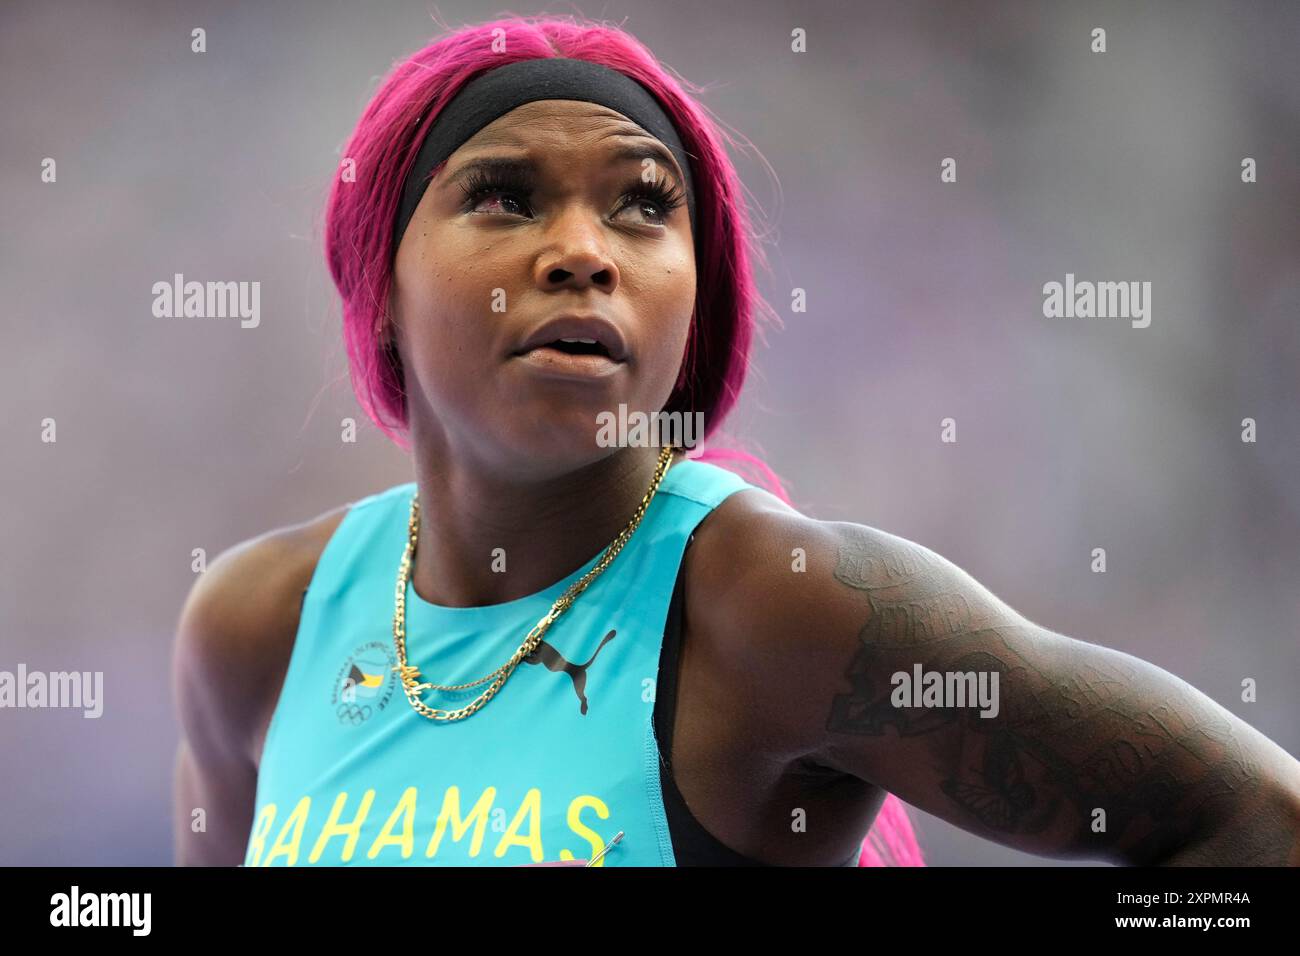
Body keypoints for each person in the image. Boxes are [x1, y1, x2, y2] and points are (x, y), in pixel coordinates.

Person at [172, 15, 1299, 868]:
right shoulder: (258, 624)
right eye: (504, 198)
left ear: (696, 301)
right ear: (379, 290)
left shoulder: (773, 606)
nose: (581, 250)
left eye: (641, 203)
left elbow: (1252, 818)